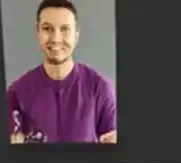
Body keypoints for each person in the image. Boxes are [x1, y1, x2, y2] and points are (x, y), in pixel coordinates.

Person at [7, 0, 117, 145]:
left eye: (65, 29)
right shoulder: (15, 93)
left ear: (76, 34)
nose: (56, 39)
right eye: (47, 29)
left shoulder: (101, 90)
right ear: (37, 31)